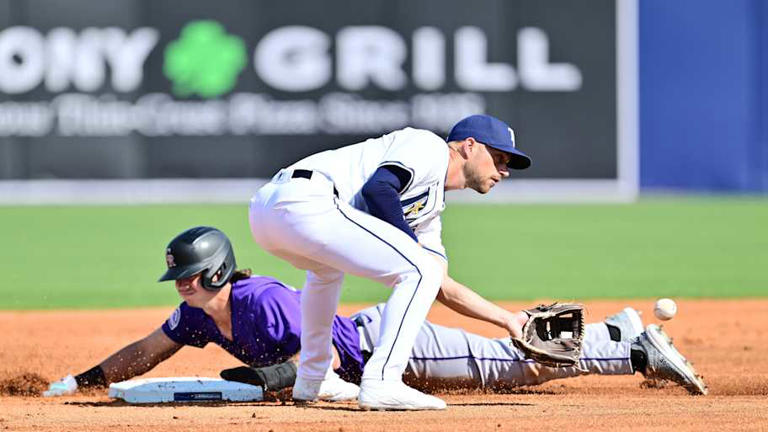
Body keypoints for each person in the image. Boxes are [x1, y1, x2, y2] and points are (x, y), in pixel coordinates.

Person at [44, 227, 708, 398]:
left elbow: (318, 359)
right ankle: (616, 334)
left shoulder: (262, 301)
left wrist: (270, 382)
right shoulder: (196, 317)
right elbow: (146, 350)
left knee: (512, 369)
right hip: (374, 361)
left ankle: (630, 345)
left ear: (215, 272)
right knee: (508, 371)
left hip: (390, 346)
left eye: (187, 277)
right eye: (177, 278)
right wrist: (84, 381)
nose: (180, 287)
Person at [248, 114, 538, 410]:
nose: (504, 170)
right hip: (303, 200)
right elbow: (380, 189)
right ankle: (383, 381)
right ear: (469, 146)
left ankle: (314, 376)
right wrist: (412, 250)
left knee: (328, 273)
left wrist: (507, 320)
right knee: (418, 269)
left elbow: (440, 285)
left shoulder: (429, 212)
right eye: (499, 158)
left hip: (273, 215)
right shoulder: (428, 147)